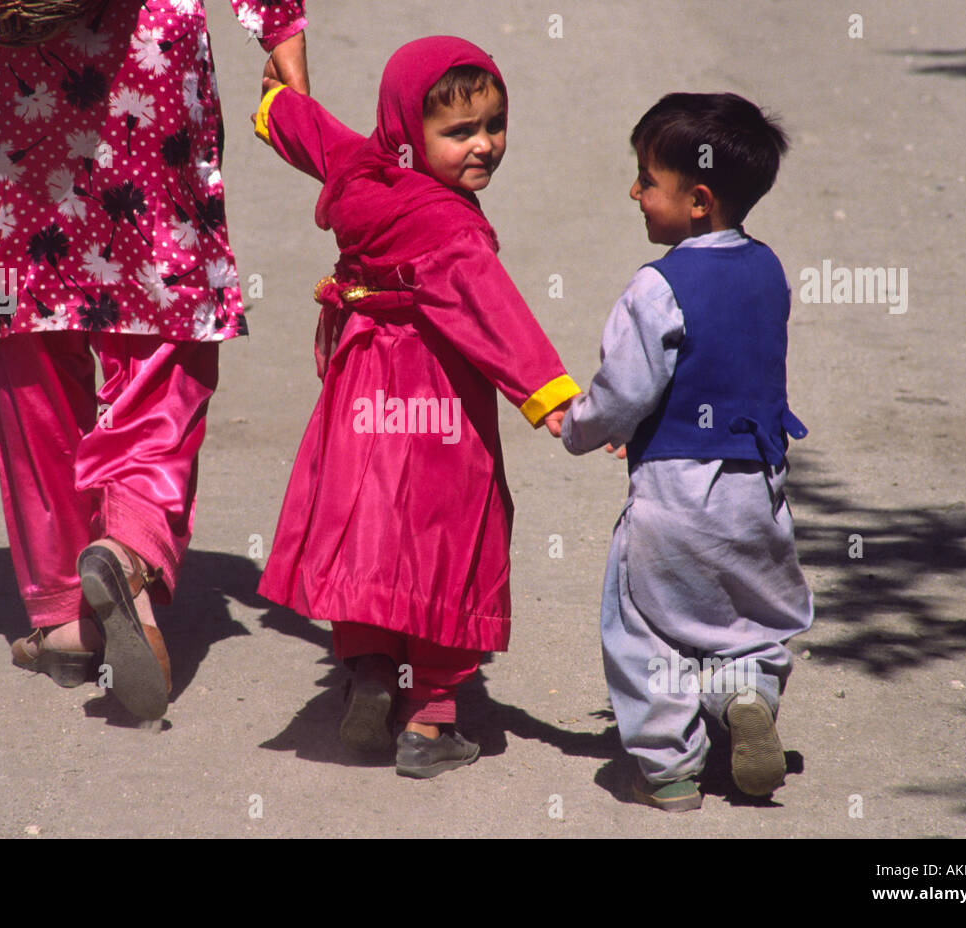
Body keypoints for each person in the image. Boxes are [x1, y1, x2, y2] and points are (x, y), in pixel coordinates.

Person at [0, 0, 309, 721]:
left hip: (4, 59)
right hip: (143, 60)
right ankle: (128, 544)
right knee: (162, 320)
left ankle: (65, 614)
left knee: (28, 322)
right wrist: (277, 24)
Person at [252, 36, 580, 778]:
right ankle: (429, 724)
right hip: (436, 393)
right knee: (443, 534)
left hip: (363, 382)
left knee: (369, 520)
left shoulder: (368, 166)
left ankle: (371, 669)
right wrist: (552, 398)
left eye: (494, 124)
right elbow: (493, 313)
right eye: (460, 131)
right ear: (409, 130)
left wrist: (276, 102)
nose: (484, 145)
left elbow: (315, 136)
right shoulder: (451, 226)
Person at [547, 92, 813, 810]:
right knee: (745, 617)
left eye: (646, 178)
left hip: (674, 497)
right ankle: (744, 696)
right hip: (754, 489)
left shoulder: (658, 285)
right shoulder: (767, 269)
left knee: (642, 626)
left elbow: (625, 390)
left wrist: (582, 427)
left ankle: (669, 768)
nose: (634, 191)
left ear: (697, 199)